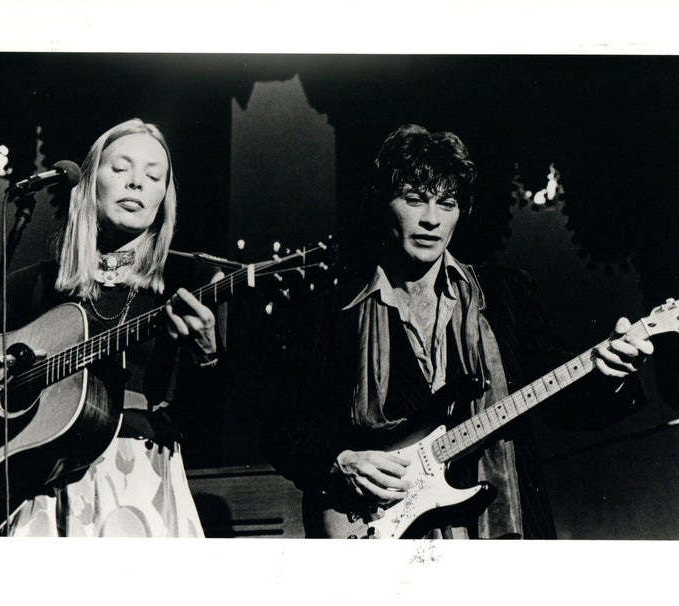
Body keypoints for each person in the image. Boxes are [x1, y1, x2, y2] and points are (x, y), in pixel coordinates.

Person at [262, 124, 654, 539]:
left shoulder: (507, 296)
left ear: (461, 212)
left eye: (446, 203)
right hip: (386, 539)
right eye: (415, 199)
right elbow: (281, 426)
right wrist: (341, 461)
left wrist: (612, 371)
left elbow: (565, 407)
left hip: (505, 538)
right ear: (384, 203)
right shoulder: (333, 309)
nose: (431, 219)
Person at [0, 118, 229, 537]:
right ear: (90, 183)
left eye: (153, 176)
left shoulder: (189, 283)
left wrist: (207, 357)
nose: (136, 182)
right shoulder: (32, 285)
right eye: (121, 168)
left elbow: (210, 421)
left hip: (139, 481)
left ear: (163, 199)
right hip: (40, 482)